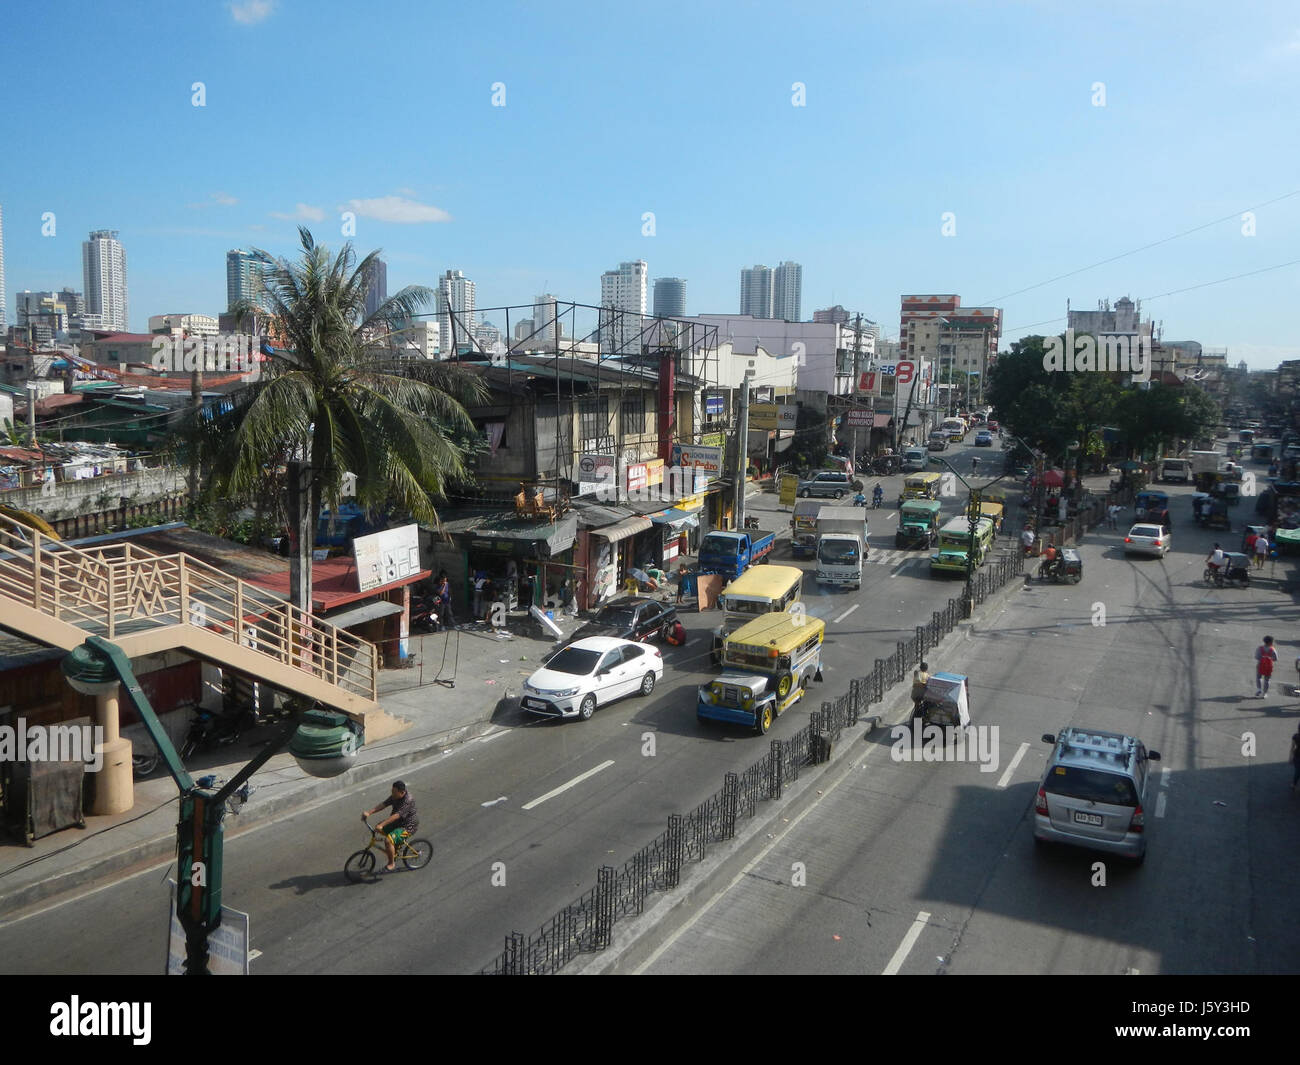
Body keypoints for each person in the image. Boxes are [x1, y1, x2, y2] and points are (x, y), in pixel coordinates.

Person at [362, 780, 418, 872]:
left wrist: (382, 824)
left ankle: (391, 864)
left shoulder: (408, 800)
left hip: (407, 826)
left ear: (402, 792)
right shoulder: (395, 796)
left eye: (394, 792)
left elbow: (396, 816)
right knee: (379, 828)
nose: (392, 794)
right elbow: (384, 804)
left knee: (388, 841)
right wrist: (369, 813)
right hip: (397, 823)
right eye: (392, 791)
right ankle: (395, 846)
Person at [1291, 725, 1300, 793]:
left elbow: (1292, 748)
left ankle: (1294, 784)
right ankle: (1294, 784)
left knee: (1297, 771)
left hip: (1297, 756)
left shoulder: (1296, 736)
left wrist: (1290, 757)